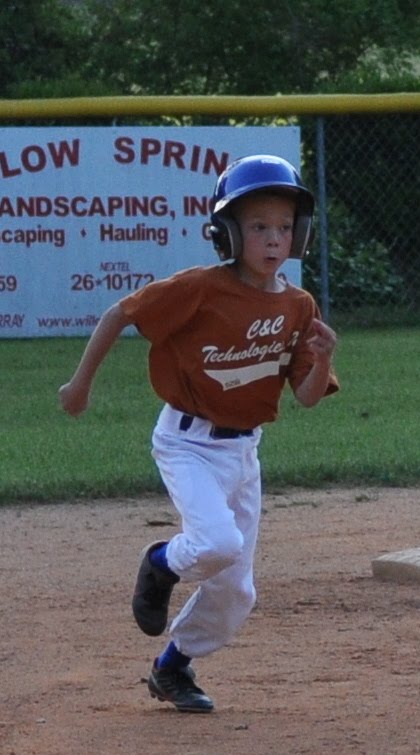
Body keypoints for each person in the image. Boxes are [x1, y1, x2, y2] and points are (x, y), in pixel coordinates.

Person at [58, 154, 339, 713]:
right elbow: (121, 313)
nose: (273, 239)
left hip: (244, 452)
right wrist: (79, 385)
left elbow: (306, 398)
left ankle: (172, 668)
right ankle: (161, 562)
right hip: (186, 441)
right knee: (216, 543)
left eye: (284, 227)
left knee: (237, 592)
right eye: (258, 226)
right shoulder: (201, 289)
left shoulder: (298, 305)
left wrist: (323, 358)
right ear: (228, 233)